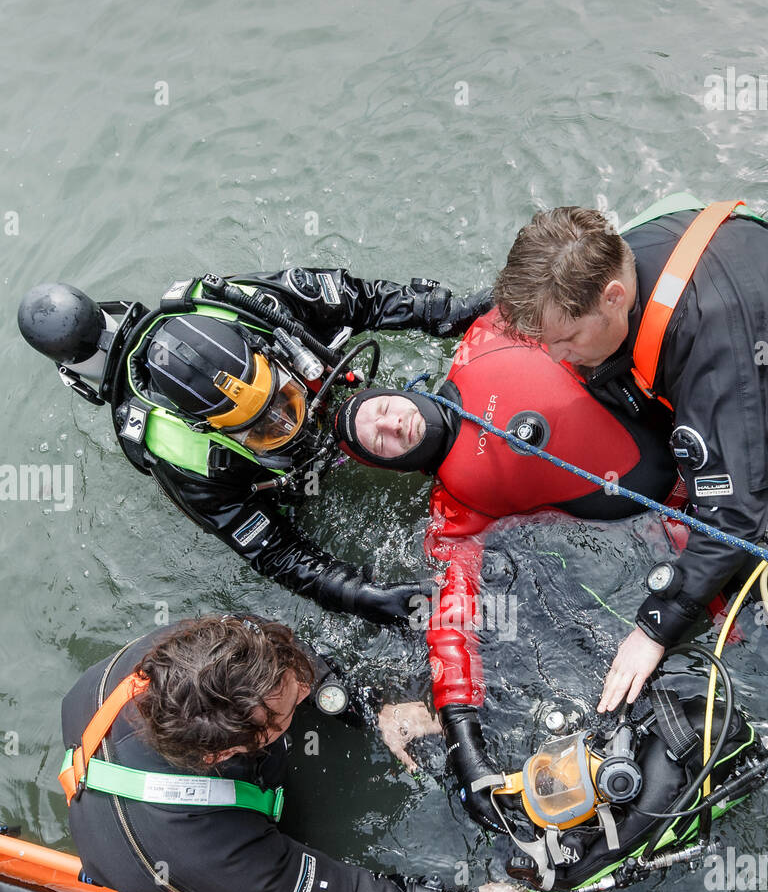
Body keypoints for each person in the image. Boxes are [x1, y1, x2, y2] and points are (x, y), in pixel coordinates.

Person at [333, 308, 768, 831]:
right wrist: (465, 742)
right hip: (682, 520)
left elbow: (568, 284)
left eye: (380, 410)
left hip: (707, 435)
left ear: (393, 393)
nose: (391, 426)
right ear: (392, 464)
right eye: (377, 443)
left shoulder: (486, 337)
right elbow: (451, 624)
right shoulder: (456, 509)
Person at [491, 194, 768, 709]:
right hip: (749, 296)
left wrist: (652, 630)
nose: (556, 356)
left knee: (733, 499)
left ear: (611, 297)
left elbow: (736, 519)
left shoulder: (711, 341)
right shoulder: (601, 260)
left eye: (566, 339)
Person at [18, 265, 491, 627]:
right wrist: (362, 595)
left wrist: (449, 314)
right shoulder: (182, 457)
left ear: (269, 354)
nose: (291, 421)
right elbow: (274, 552)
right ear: (213, 430)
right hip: (276, 479)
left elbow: (361, 299)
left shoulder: (249, 304)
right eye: (263, 426)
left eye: (282, 400)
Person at [58, 614, 549, 892]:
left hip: (104, 734)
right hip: (157, 855)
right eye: (289, 708)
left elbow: (276, 652)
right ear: (221, 756)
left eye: (292, 681)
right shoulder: (217, 854)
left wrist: (376, 708)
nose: (301, 692)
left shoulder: (184, 654)